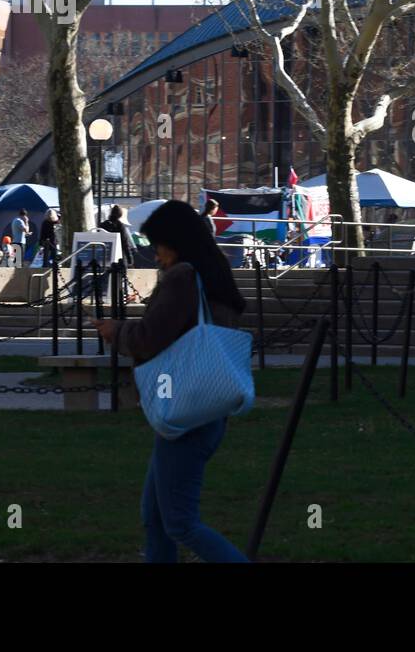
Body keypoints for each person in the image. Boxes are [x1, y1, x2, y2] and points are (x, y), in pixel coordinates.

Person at [95, 200, 250, 564]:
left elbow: (151, 336)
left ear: (174, 242)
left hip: (185, 411)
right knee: (156, 516)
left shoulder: (183, 277)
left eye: (158, 246)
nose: (156, 255)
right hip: (208, 404)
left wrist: (116, 330)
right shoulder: (215, 274)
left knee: (179, 523)